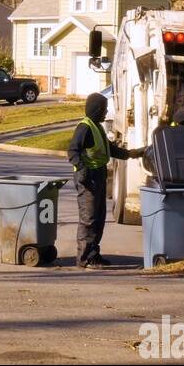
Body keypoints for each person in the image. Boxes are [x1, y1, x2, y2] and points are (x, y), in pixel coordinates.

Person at [68, 92, 144, 269]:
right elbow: (72, 151)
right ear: (96, 109)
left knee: (99, 217)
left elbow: (110, 150)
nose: (106, 111)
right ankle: (84, 258)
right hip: (88, 177)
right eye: (104, 108)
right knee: (89, 218)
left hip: (99, 174)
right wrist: (82, 168)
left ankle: (94, 255)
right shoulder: (84, 128)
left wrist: (133, 154)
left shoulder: (97, 127)